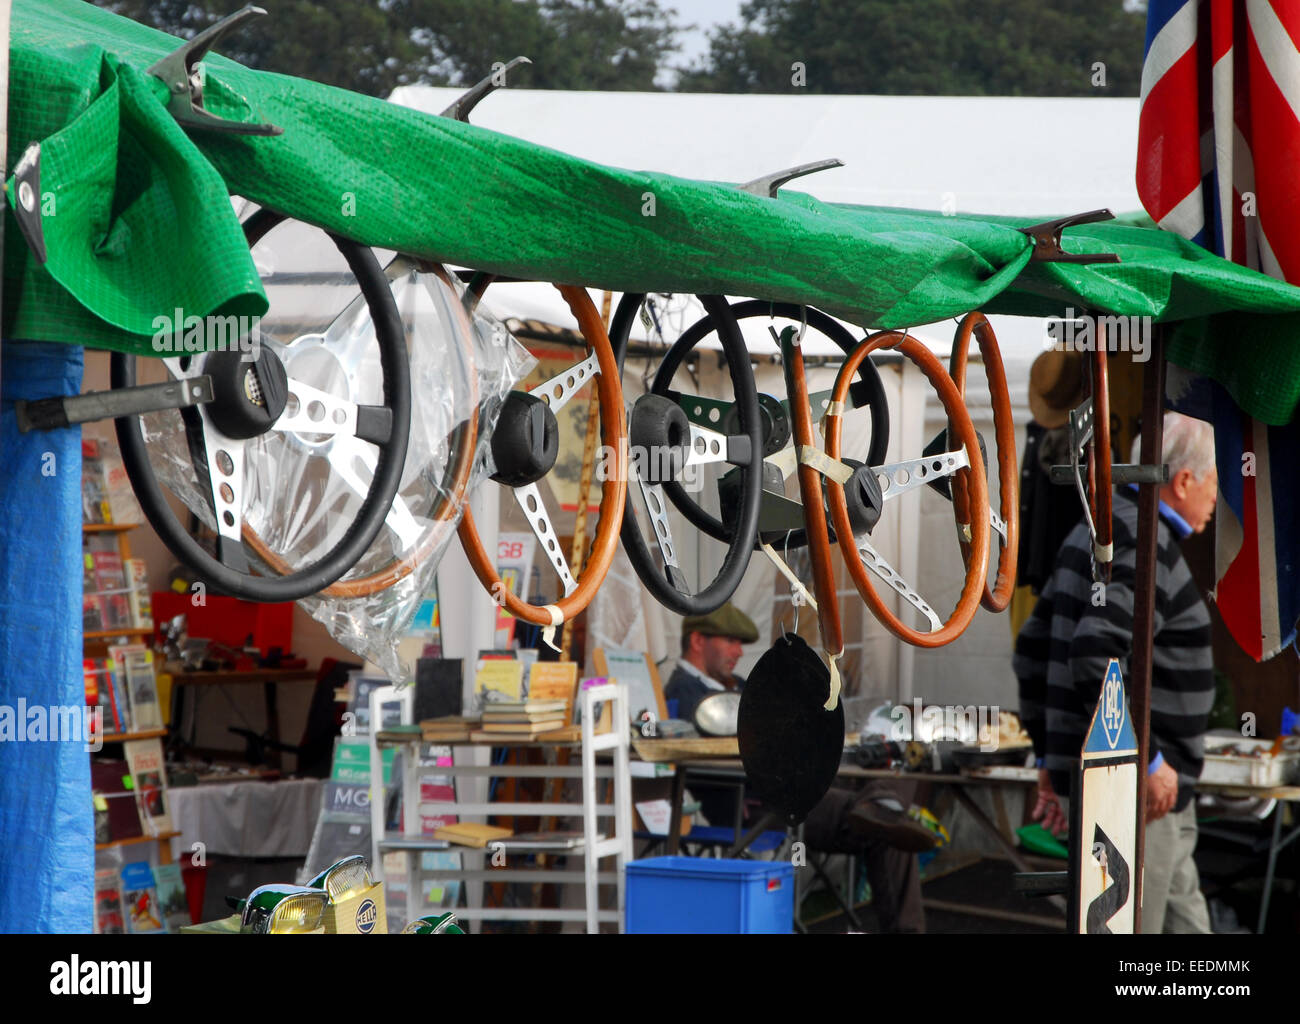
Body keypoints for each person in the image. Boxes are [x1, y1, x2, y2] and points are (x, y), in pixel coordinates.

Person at [1014, 411, 1217, 933]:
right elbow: (1094, 651)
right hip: (1135, 801)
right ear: (1184, 479)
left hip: (1155, 800)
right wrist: (1146, 762)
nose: (1218, 499)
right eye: (1216, 481)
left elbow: (1032, 649)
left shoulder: (1095, 531)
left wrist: (1048, 753)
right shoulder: (1142, 543)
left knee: (1189, 927)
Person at [671, 603, 934, 933]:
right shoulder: (683, 694)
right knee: (886, 831)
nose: (739, 652)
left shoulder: (736, 685)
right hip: (765, 803)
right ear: (697, 641)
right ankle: (880, 813)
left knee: (892, 766)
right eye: (731, 641)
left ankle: (878, 806)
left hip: (795, 785)